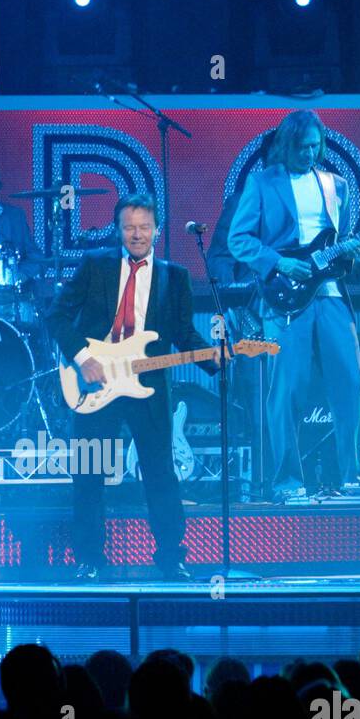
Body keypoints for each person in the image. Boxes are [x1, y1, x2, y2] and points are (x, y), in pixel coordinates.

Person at [47, 192, 219, 582]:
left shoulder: (173, 277)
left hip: (148, 387)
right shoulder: (95, 266)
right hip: (95, 384)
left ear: (156, 230)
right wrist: (81, 357)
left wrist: (210, 357)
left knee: (160, 474)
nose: (137, 235)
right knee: (90, 474)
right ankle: (90, 559)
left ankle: (171, 559)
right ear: (118, 230)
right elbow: (56, 314)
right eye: (129, 227)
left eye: (144, 227)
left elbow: (184, 332)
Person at [227, 110, 360, 503]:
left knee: (352, 384)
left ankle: (351, 478)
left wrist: (355, 252)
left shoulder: (335, 184)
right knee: (287, 389)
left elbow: (336, 246)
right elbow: (238, 241)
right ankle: (288, 481)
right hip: (286, 298)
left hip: (331, 295)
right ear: (288, 144)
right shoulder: (262, 183)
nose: (310, 153)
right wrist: (278, 261)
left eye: (316, 146)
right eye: (303, 146)